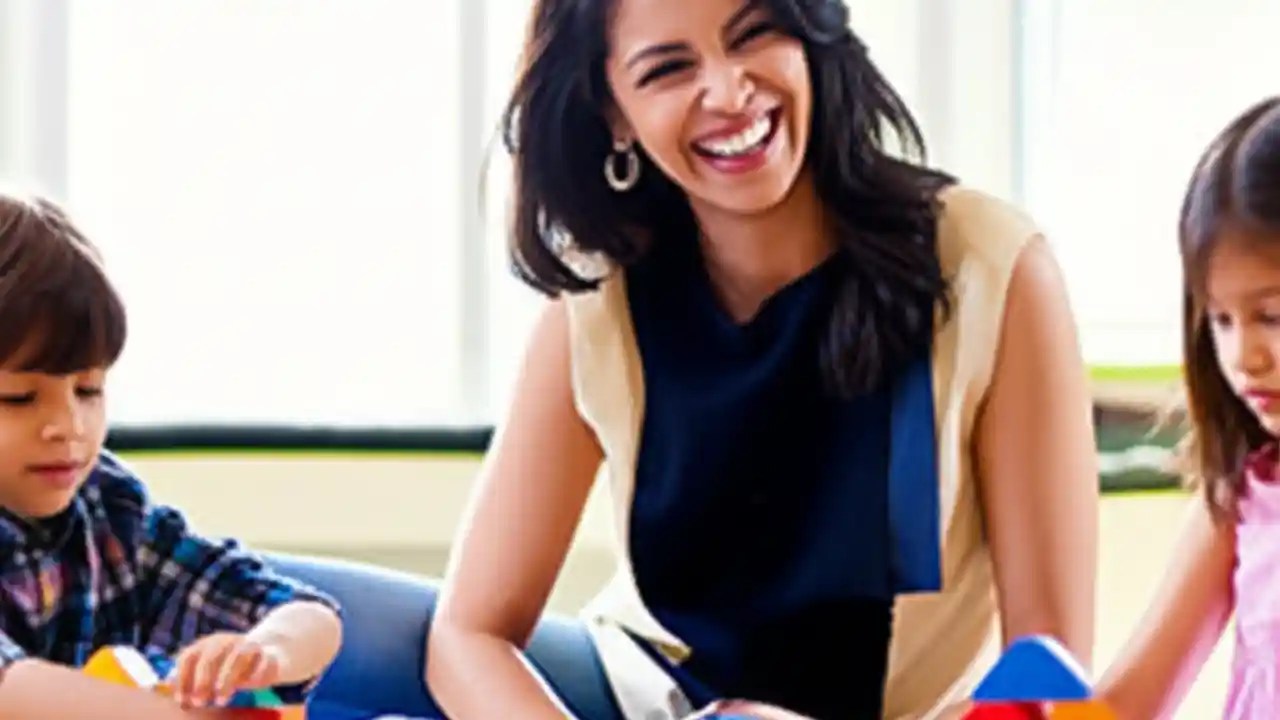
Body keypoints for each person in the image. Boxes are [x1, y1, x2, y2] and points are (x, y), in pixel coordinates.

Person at [427, 0, 1099, 717]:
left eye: (754, 34)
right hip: (635, 692)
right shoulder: (601, 296)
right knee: (341, 627)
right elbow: (469, 632)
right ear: (614, 113)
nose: (728, 92)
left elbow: (1047, 679)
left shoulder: (990, 267)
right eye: (668, 69)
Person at [0, 190, 344, 719]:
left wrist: (264, 653)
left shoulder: (109, 512)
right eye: (19, 399)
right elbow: (13, 690)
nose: (69, 426)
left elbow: (308, 613)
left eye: (89, 390)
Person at [1098, 97, 1280, 720]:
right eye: (1220, 320)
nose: (1243, 357)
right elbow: (1124, 704)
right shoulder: (1240, 496)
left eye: (1272, 316)